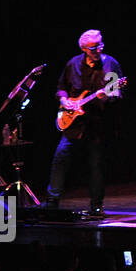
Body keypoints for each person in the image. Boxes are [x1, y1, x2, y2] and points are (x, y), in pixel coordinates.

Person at [47, 29, 126, 217]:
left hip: (97, 123)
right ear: (84, 48)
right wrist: (64, 100)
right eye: (93, 47)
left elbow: (117, 94)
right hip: (73, 123)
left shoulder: (111, 64)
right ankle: (52, 201)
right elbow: (61, 88)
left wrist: (106, 96)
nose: (99, 49)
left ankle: (96, 206)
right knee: (61, 157)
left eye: (100, 45)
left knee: (96, 164)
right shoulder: (73, 64)